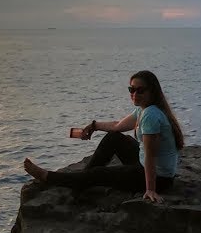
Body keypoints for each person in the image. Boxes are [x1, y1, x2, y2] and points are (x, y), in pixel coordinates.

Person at [23, 69, 184, 203]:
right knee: (114, 137)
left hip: (159, 178)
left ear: (152, 92)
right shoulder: (144, 109)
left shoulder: (150, 115)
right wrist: (94, 126)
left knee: (99, 174)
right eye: (131, 89)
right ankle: (82, 180)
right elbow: (117, 126)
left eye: (140, 90)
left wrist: (150, 190)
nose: (134, 94)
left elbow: (150, 156)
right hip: (149, 167)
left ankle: (48, 177)